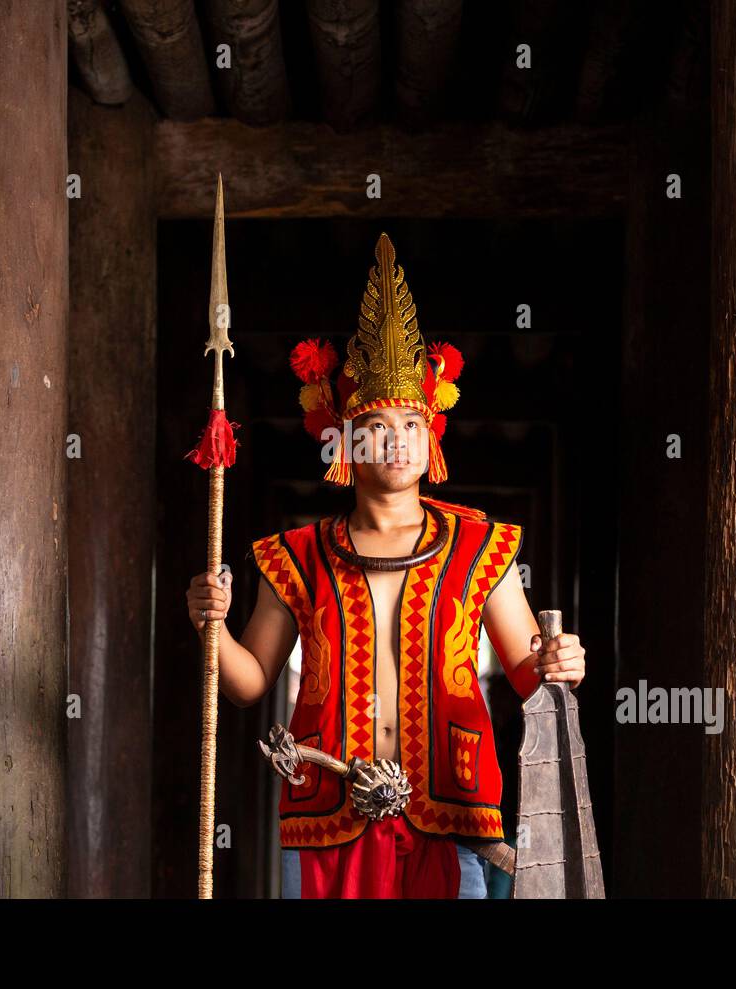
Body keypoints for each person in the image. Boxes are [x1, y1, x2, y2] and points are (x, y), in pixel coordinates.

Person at [186, 233, 585, 898]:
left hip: (451, 810)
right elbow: (249, 682)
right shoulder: (298, 556)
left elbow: (528, 675)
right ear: (342, 436)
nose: (396, 438)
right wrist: (212, 626)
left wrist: (561, 663)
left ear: (432, 435)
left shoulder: (478, 547)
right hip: (325, 814)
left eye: (411, 421)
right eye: (377, 421)